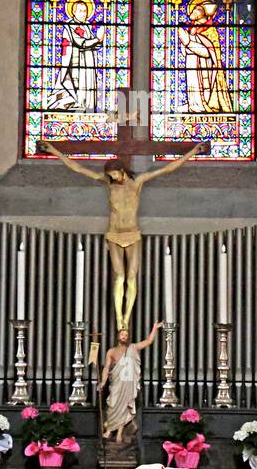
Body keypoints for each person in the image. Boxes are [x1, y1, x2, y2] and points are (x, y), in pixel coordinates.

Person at [40, 141, 204, 329]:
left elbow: (167, 169)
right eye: (110, 176)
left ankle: (127, 316)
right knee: (119, 276)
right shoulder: (109, 184)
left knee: (132, 277)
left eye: (114, 174)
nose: (113, 178)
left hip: (132, 234)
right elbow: (79, 169)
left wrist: (192, 152)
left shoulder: (138, 182)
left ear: (121, 170)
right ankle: (119, 317)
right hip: (114, 233)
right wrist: (54, 151)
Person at [98, 323, 162, 441]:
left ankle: (119, 433)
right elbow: (106, 368)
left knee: (124, 408)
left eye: (126, 335)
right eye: (122, 334)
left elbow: (148, 341)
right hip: (117, 383)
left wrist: (154, 328)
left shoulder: (132, 348)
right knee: (112, 405)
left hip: (128, 383)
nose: (124, 337)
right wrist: (103, 382)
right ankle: (110, 430)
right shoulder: (111, 351)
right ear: (118, 336)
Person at [45, 0, 102, 112]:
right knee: (75, 84)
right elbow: (80, 43)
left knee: (86, 84)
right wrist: (97, 39)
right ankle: (75, 104)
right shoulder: (70, 26)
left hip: (87, 60)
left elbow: (93, 44)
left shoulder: (87, 26)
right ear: (74, 12)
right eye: (80, 11)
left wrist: (99, 41)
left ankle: (86, 106)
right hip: (75, 61)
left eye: (85, 11)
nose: (83, 14)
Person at [178, 0, 233, 114]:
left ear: (204, 13)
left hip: (206, 65)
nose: (194, 11)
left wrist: (189, 42)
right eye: (194, 8)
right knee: (192, 82)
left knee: (203, 83)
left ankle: (203, 103)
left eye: (198, 9)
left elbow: (210, 52)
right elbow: (184, 51)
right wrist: (187, 43)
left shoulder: (209, 29)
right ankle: (193, 104)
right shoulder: (191, 29)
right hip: (191, 62)